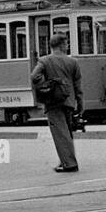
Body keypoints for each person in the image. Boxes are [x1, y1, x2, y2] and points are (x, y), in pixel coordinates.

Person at [31, 31, 83, 173]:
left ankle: (69, 164)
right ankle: (65, 160)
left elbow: (34, 76)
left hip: (53, 101)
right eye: (66, 43)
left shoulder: (45, 61)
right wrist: (80, 104)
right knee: (66, 132)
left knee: (60, 133)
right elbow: (78, 87)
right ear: (61, 45)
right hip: (69, 101)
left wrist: (47, 85)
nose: (67, 46)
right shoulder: (73, 62)